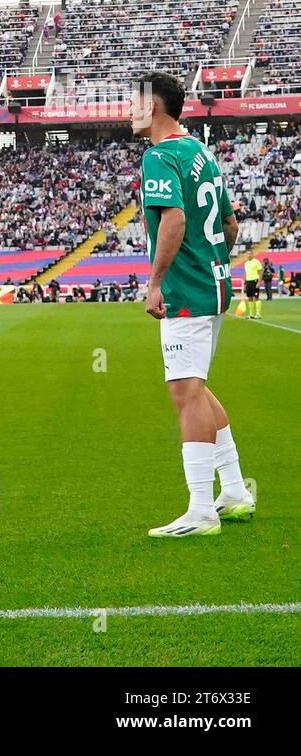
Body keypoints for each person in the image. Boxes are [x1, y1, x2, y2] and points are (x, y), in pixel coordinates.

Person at [131, 72, 253, 537]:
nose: (127, 111)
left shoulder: (159, 156)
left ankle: (201, 509)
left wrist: (156, 282)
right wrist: (214, 263)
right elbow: (231, 223)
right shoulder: (200, 151)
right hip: (215, 285)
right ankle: (236, 491)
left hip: (187, 291)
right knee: (197, 389)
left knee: (184, 393)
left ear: (154, 107)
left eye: (133, 103)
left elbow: (175, 220)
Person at [241, 253, 263, 320]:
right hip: (248, 282)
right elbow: (245, 273)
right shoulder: (246, 263)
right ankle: (251, 314)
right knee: (250, 298)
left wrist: (259, 282)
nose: (248, 255)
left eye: (250, 254)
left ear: (253, 255)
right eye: (247, 254)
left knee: (256, 297)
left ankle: (258, 314)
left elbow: (261, 271)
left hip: (254, 281)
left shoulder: (256, 262)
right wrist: (245, 282)